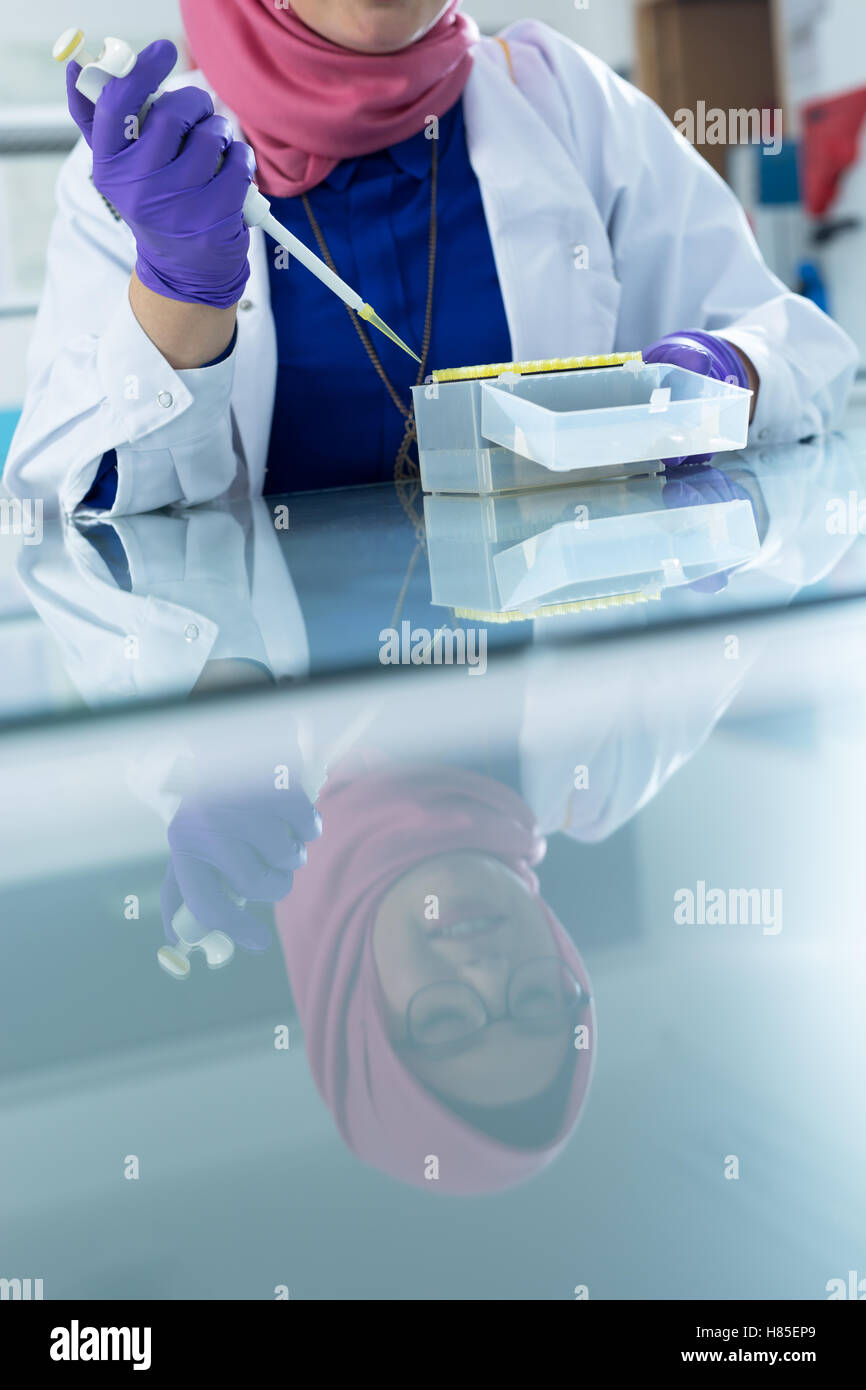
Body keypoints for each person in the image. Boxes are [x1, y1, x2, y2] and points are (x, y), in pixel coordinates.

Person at [6, 1, 857, 515]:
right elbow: (69, 503)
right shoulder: (157, 170)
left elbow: (809, 360)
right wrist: (179, 292)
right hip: (279, 755)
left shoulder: (568, 105)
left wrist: (725, 370)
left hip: (531, 721)